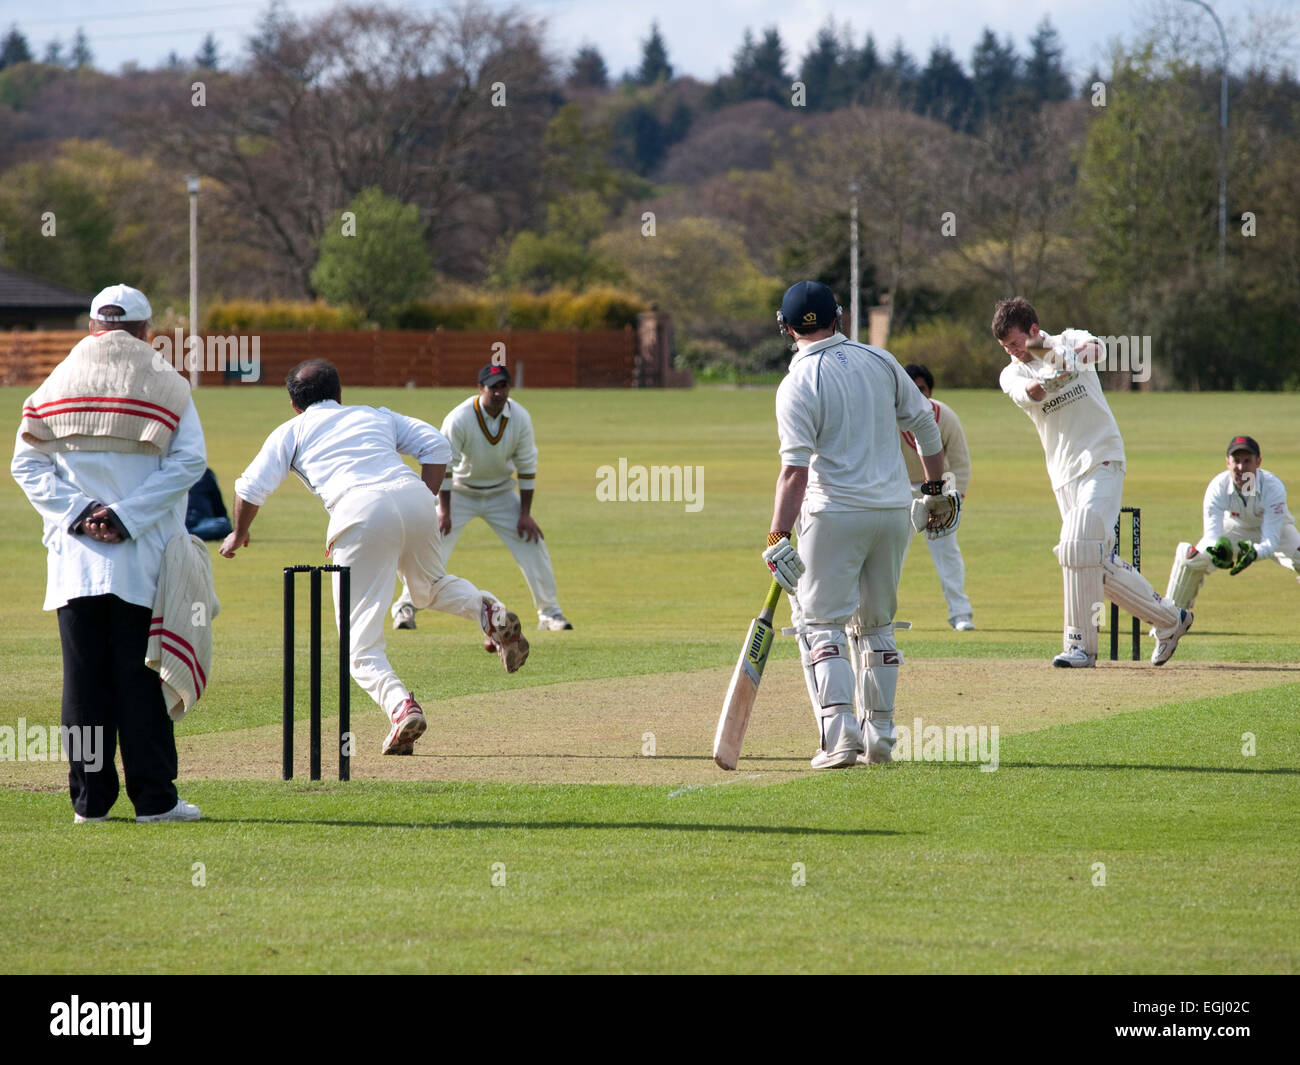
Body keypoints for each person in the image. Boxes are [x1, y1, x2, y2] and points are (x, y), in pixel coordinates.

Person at [220, 358, 529, 758]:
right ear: (340, 394)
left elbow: (250, 488)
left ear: (295, 405)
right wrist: (422, 499)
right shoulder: (373, 414)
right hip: (413, 496)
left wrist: (239, 533)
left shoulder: (291, 432)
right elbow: (437, 446)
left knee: (359, 647)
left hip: (358, 511)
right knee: (429, 587)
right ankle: (488, 614)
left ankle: (402, 708)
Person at [11, 284, 207, 823]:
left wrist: (80, 513)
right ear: (146, 331)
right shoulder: (169, 384)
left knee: (84, 684)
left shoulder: (57, 382)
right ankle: (155, 802)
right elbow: (189, 464)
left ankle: (90, 803)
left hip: (74, 559)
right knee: (140, 678)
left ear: (94, 326)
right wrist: (125, 517)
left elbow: (25, 466)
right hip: (141, 559)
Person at [763, 280, 956, 769]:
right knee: (876, 626)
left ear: (785, 328)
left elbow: (794, 470)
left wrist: (777, 535)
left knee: (820, 624)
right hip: (892, 513)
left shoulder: (797, 382)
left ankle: (839, 737)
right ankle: (882, 737)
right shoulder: (882, 360)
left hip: (833, 514)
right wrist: (934, 491)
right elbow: (925, 427)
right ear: (841, 316)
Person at [991, 296, 1192, 667]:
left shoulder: (1067, 339)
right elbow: (1031, 393)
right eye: (1006, 347)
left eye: (1016, 344)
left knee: (1081, 543)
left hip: (1102, 457)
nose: (1013, 352)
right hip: (1063, 474)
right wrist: (1052, 379)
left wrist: (1073, 358)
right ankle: (1170, 619)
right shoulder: (1013, 373)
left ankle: (1079, 646)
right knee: (1090, 563)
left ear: (1034, 331)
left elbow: (1096, 348)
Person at [390, 362, 572, 635]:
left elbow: (527, 465)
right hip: (460, 492)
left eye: (503, 386)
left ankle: (550, 614)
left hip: (500, 493)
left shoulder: (520, 417)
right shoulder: (460, 418)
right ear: (480, 388)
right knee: (430, 546)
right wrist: (444, 511)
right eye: (493, 387)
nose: (499, 393)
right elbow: (445, 465)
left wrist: (525, 514)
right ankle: (405, 608)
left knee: (533, 544)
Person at [1163, 435, 1300, 612]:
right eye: (1236, 460)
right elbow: (1212, 536)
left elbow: (1270, 541)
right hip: (1236, 529)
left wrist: (1254, 553)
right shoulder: (1218, 486)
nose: (1241, 468)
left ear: (1258, 462)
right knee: (1191, 558)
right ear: (1228, 462)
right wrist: (1218, 548)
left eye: (1247, 461)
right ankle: (1170, 621)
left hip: (1278, 530)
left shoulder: (1273, 487)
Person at [899, 364, 974, 630]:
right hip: (898, 492)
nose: (917, 396)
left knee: (947, 553)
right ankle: (880, 614)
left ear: (929, 391)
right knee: (891, 554)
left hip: (938, 492)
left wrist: (953, 501)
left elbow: (961, 463)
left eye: (922, 390)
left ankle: (960, 613)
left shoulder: (945, 417)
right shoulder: (888, 417)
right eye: (912, 390)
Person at [186, 467, 234, 541]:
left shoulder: (205, 473)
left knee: (223, 525)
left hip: (202, 521)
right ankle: (187, 534)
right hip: (180, 521)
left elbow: (217, 501)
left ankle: (186, 534)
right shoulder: (167, 472)